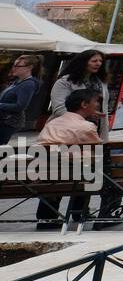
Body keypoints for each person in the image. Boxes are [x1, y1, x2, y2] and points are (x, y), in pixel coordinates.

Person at [35, 89, 106, 230]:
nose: (97, 105)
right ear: (84, 105)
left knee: (60, 168)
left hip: (44, 174)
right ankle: (80, 212)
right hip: (74, 176)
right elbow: (98, 152)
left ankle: (46, 217)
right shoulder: (86, 126)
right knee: (91, 168)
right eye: (95, 101)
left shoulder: (52, 124)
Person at [48, 49, 112, 141]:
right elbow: (59, 109)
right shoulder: (64, 82)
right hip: (70, 130)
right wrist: (85, 116)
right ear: (83, 62)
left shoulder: (102, 82)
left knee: (96, 154)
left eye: (101, 61)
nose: (98, 63)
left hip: (96, 130)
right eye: (94, 61)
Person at [1, 54, 42, 144]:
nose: (14, 68)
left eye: (18, 66)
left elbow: (20, 106)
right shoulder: (19, 81)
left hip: (8, 121)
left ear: (29, 68)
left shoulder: (28, 84)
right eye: (14, 65)